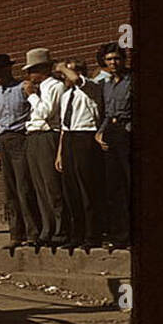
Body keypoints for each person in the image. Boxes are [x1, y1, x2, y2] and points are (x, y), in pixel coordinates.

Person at [0, 54, 39, 251]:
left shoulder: (23, 88)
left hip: (21, 138)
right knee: (9, 191)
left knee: (25, 187)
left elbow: (35, 112)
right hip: (3, 142)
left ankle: (33, 233)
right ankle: (15, 234)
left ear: (7, 70)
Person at [56, 59, 106, 251]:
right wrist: (60, 153)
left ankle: (92, 235)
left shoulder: (91, 88)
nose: (65, 77)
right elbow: (63, 126)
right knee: (71, 190)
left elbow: (77, 80)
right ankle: (76, 234)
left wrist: (61, 66)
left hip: (85, 136)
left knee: (87, 187)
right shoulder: (66, 95)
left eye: (70, 72)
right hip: (69, 138)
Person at [21, 47, 68, 250]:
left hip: (48, 135)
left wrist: (31, 95)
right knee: (39, 187)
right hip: (34, 137)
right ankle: (47, 229)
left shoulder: (54, 87)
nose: (29, 76)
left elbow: (46, 112)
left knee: (52, 185)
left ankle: (61, 229)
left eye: (32, 70)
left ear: (43, 69)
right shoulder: (41, 89)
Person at [96, 45, 132, 249]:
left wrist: (129, 129)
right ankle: (119, 237)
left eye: (116, 58)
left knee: (129, 184)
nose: (113, 63)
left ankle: (132, 236)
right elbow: (107, 112)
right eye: (109, 60)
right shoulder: (106, 84)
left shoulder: (132, 80)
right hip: (111, 131)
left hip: (127, 132)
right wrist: (100, 132)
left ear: (123, 59)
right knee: (114, 187)